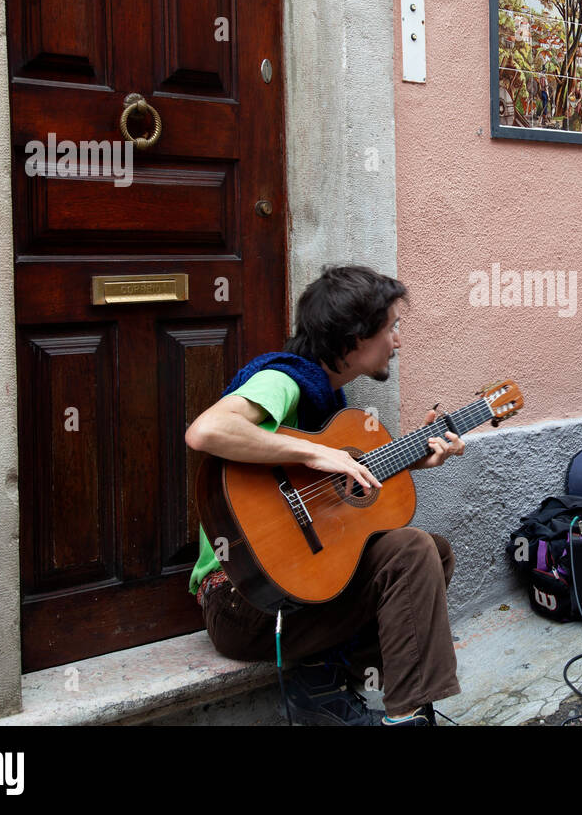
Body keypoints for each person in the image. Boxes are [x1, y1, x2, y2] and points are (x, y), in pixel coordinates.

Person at [184, 265, 466, 725]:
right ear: (355, 339)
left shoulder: (330, 401)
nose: (398, 341)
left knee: (434, 552)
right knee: (412, 551)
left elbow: (329, 498)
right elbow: (207, 430)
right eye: (391, 327)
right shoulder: (284, 381)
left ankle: (322, 684)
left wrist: (416, 457)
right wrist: (317, 453)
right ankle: (410, 718)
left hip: (290, 594)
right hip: (242, 601)